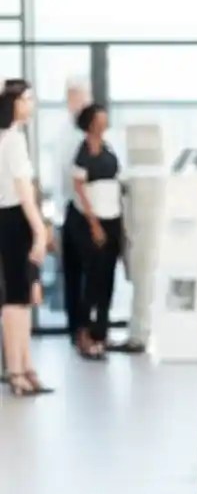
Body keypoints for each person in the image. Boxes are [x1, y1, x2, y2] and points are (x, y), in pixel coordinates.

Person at [0, 79, 53, 396]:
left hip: (9, 219)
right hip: (15, 219)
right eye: (27, 99)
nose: (31, 105)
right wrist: (39, 230)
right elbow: (24, 192)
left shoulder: (7, 137)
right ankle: (17, 371)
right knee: (16, 300)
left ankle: (25, 367)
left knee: (18, 299)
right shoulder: (14, 140)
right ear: (15, 103)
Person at [67, 103, 124, 359]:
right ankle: (85, 334)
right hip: (93, 221)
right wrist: (94, 224)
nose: (105, 122)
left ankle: (101, 332)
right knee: (93, 279)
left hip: (113, 218)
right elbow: (79, 188)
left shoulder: (109, 147)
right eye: (100, 119)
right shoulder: (83, 151)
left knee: (108, 278)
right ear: (90, 123)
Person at [59, 78, 92, 345]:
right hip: (72, 210)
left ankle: (89, 329)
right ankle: (76, 330)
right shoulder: (64, 136)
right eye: (76, 98)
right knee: (72, 275)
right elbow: (62, 178)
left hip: (92, 211)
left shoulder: (94, 135)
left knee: (91, 275)